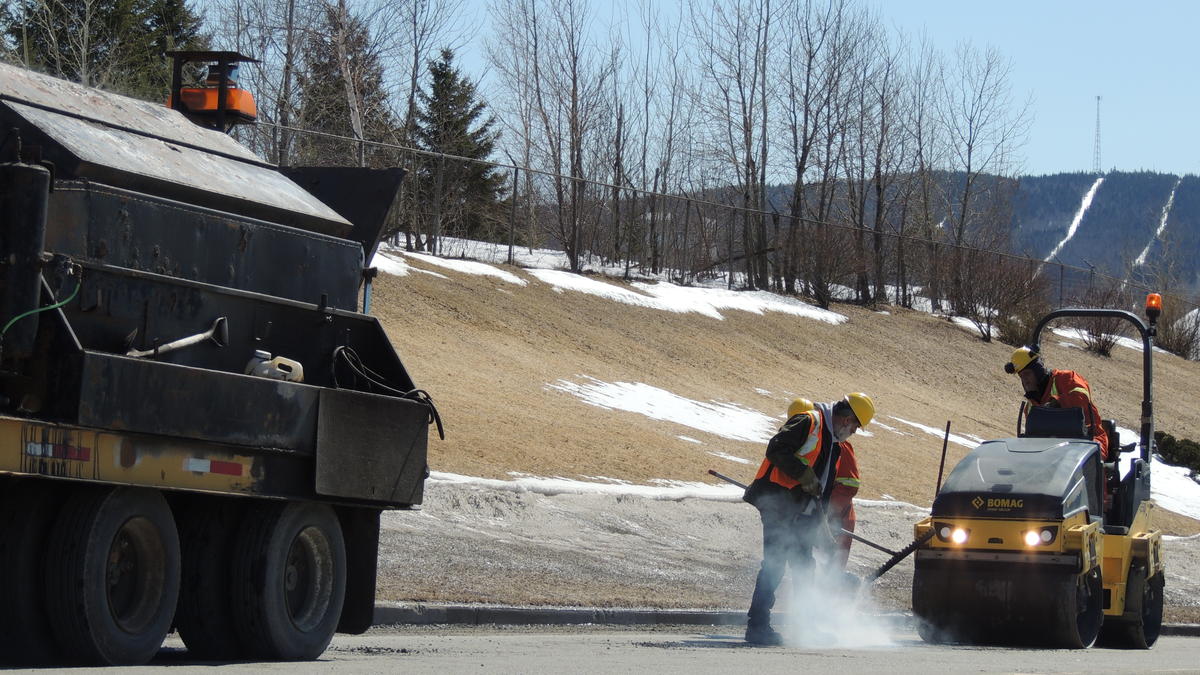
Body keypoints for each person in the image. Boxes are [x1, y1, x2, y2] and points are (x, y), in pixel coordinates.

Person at [741, 393, 874, 646]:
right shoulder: (809, 421)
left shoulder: (833, 441)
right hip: (777, 504)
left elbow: (821, 486)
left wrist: (819, 526)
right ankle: (757, 627)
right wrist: (802, 473)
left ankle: (806, 627)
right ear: (846, 419)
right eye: (856, 426)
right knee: (775, 563)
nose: (854, 432)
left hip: (800, 512)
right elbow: (776, 449)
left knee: (804, 567)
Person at [1005, 346, 1109, 459]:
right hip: (1052, 450)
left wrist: (1055, 403)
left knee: (1084, 461)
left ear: (1038, 371)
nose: (1025, 380)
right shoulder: (1030, 407)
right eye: (1021, 376)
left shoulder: (1066, 378)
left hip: (1088, 440)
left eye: (1027, 374)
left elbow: (1081, 397)